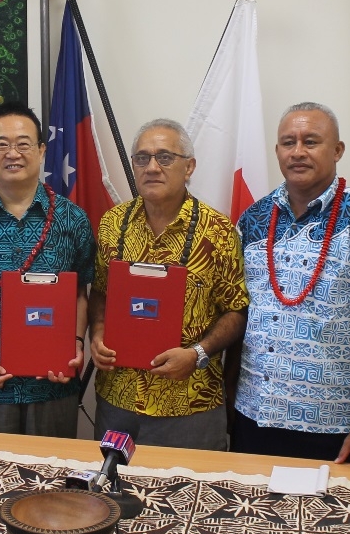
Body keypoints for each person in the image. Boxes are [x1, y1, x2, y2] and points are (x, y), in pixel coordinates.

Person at [234, 102, 350, 476]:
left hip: (335, 428)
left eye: (310, 141)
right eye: (288, 142)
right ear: (277, 151)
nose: (297, 152)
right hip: (254, 415)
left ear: (338, 150)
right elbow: (241, 315)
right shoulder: (252, 220)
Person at [87, 119, 249, 450]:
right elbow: (101, 292)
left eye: (164, 157)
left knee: (189, 485)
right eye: (142, 158)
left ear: (189, 166)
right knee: (113, 483)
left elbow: (237, 311)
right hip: (118, 398)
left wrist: (198, 353)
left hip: (190, 403)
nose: (152, 167)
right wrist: (98, 333)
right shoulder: (112, 224)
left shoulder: (218, 231)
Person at [0, 105, 93, 436]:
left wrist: (77, 344)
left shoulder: (73, 220)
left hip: (52, 387)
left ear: (41, 151)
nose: (13, 153)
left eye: (23, 144)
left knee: (51, 469)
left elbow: (80, 293)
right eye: (2, 144)